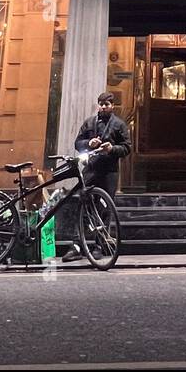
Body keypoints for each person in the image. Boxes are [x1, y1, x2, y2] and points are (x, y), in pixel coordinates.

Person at [62, 92, 130, 262]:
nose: (103, 107)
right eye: (101, 104)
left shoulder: (119, 124)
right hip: (90, 169)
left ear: (112, 105)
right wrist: (88, 144)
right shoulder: (89, 122)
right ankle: (77, 245)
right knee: (83, 206)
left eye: (106, 104)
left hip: (109, 172)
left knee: (105, 209)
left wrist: (112, 149)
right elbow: (78, 143)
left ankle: (99, 245)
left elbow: (127, 148)